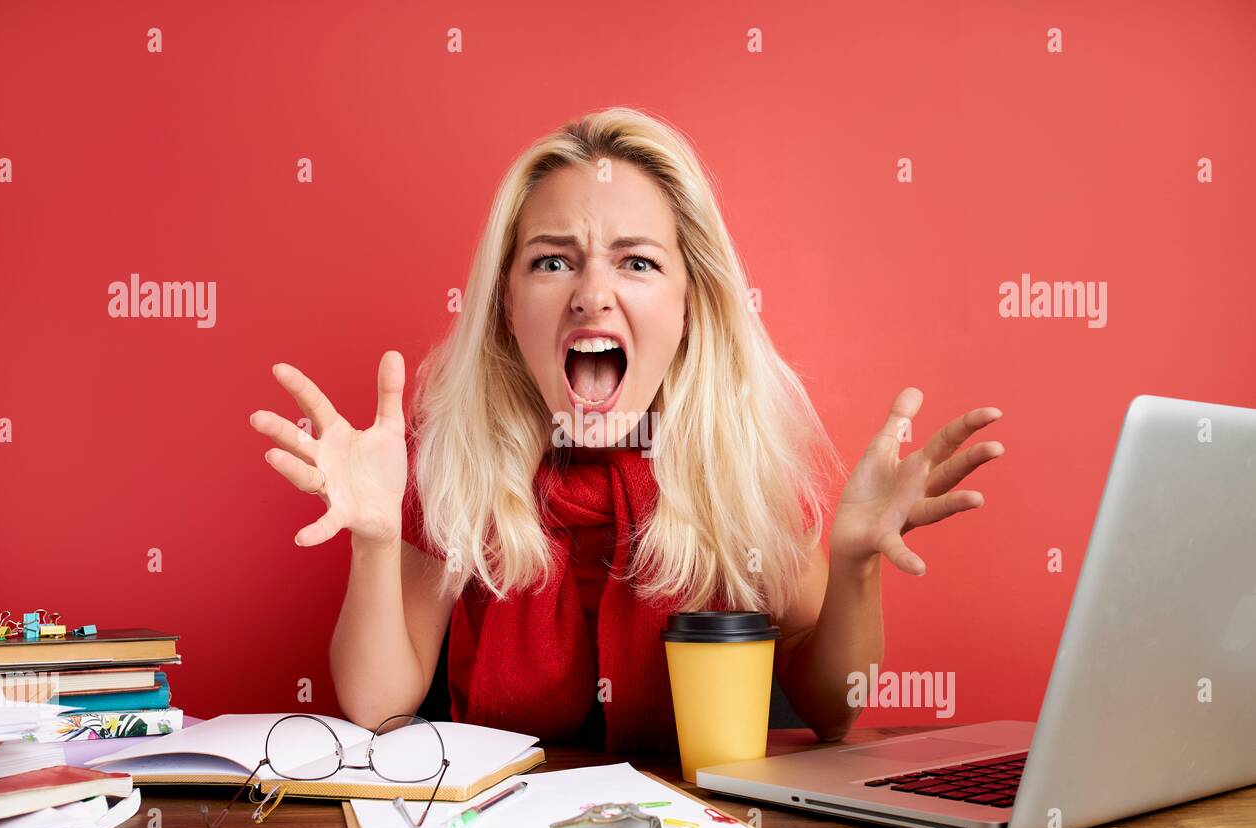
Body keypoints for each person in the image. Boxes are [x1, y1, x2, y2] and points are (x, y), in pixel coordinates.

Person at [248, 106, 1004, 753]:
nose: (592, 295)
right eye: (552, 263)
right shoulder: (457, 462)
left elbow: (833, 713)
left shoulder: (742, 463)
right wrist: (376, 541)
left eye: (636, 263)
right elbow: (379, 706)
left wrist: (855, 569)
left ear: (689, 306)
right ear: (508, 307)